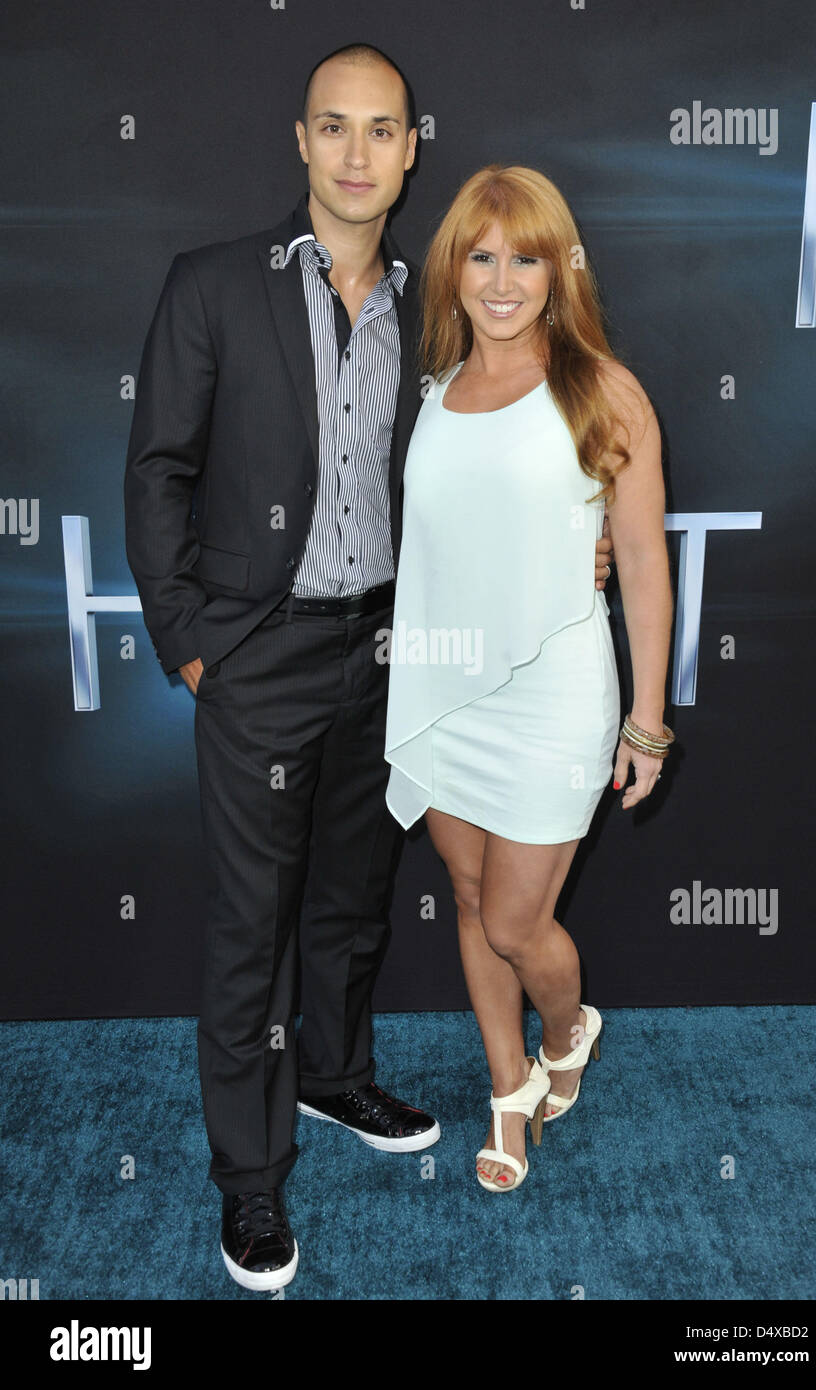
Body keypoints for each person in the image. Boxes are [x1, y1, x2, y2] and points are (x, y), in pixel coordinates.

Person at [125, 48, 614, 1290]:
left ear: (410, 149)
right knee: (253, 928)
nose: (355, 153)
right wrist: (191, 640)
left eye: (379, 130)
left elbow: (492, 464)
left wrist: (584, 531)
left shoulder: (435, 316)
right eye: (332, 128)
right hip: (255, 652)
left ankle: (337, 1079)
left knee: (349, 899)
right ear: (300, 141)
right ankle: (251, 1181)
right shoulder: (212, 285)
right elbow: (158, 470)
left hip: (392, 649)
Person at [384, 165, 674, 1192]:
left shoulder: (601, 389)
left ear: (559, 272)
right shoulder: (432, 392)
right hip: (443, 685)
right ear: (451, 270)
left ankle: (567, 1027)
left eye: (526, 258)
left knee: (515, 921)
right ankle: (506, 1091)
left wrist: (645, 721)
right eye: (481, 256)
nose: (501, 280)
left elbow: (639, 560)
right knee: (467, 898)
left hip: (554, 693)